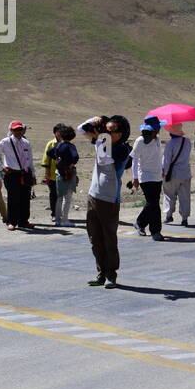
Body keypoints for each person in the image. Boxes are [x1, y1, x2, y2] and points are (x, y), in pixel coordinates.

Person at [78, 115, 132, 287]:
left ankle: (111, 274)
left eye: (111, 131)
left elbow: (104, 159)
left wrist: (101, 135)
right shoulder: (103, 141)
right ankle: (101, 271)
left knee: (109, 238)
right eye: (106, 129)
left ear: (121, 133)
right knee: (95, 237)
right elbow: (81, 129)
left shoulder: (122, 149)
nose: (107, 133)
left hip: (109, 198)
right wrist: (96, 119)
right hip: (94, 195)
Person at [0, 120, 35, 230]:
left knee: (25, 198)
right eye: (16, 130)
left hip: (25, 173)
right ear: (11, 130)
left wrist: (32, 174)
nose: (18, 131)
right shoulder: (6, 142)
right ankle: (12, 222)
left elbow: (30, 160)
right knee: (13, 199)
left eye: (20, 129)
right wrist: (2, 168)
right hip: (11, 174)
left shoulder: (26, 143)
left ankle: (24, 221)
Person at [132, 115, 165, 240]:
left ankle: (140, 223)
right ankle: (155, 231)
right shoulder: (140, 141)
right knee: (153, 204)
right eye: (157, 128)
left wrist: (162, 169)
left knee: (154, 203)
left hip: (157, 176)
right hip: (145, 176)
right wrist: (135, 177)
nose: (159, 130)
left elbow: (158, 157)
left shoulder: (157, 139)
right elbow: (134, 159)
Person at [161, 122, 193, 226]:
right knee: (185, 196)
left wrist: (164, 173)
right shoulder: (187, 141)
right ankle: (184, 218)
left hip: (173, 174)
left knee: (169, 195)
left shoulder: (170, 144)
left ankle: (169, 215)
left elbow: (166, 161)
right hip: (185, 173)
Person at [51, 125, 80, 226]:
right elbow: (75, 157)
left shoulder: (58, 145)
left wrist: (58, 159)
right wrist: (71, 164)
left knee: (59, 197)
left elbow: (49, 152)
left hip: (59, 172)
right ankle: (64, 220)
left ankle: (58, 220)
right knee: (67, 198)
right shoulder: (71, 146)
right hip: (68, 173)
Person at [40, 123, 66, 219]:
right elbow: (46, 160)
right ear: (55, 133)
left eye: (62, 131)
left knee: (62, 195)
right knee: (54, 195)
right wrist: (47, 173)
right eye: (58, 132)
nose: (60, 134)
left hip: (64, 174)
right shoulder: (51, 144)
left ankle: (61, 213)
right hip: (52, 174)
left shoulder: (66, 143)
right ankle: (54, 214)